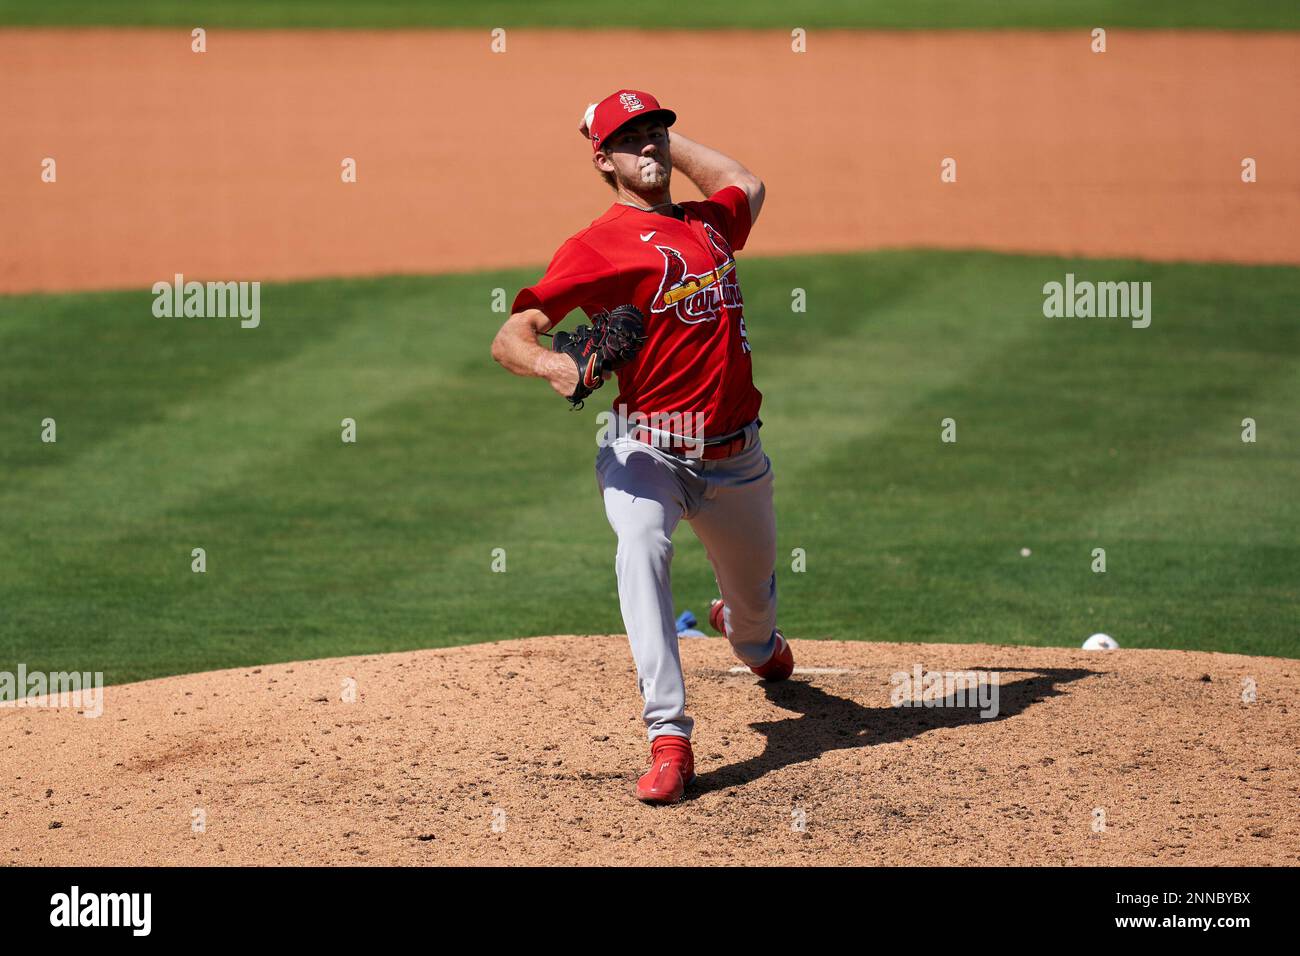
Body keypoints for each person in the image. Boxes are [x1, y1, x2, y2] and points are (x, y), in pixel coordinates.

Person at [490, 89, 794, 804]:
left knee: (757, 638)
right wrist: (553, 364)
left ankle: (745, 633)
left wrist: (659, 143)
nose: (651, 145)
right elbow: (511, 336)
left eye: (657, 131)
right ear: (602, 159)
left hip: (736, 458)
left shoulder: (709, 223)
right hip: (645, 450)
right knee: (641, 548)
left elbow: (744, 184)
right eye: (631, 140)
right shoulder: (595, 245)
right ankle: (669, 737)